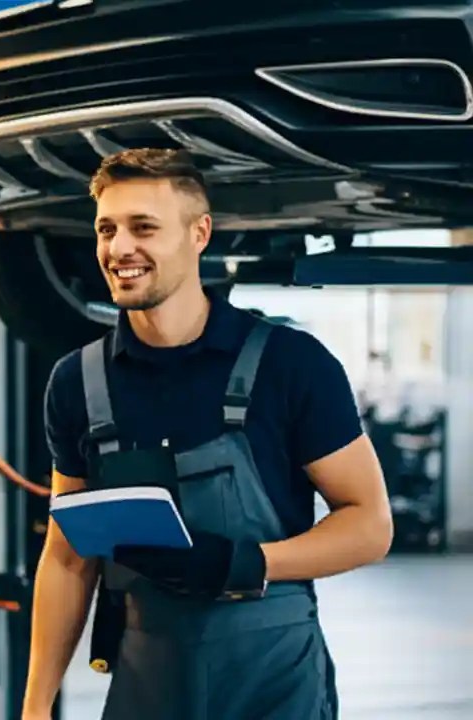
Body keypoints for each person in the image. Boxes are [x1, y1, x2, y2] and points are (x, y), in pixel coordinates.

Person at [21, 148, 393, 719]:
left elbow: (369, 524)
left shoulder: (290, 365)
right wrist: (37, 705)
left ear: (200, 233)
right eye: (107, 228)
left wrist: (248, 562)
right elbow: (68, 558)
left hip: (273, 680)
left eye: (144, 227)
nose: (120, 248)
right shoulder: (78, 383)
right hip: (147, 678)